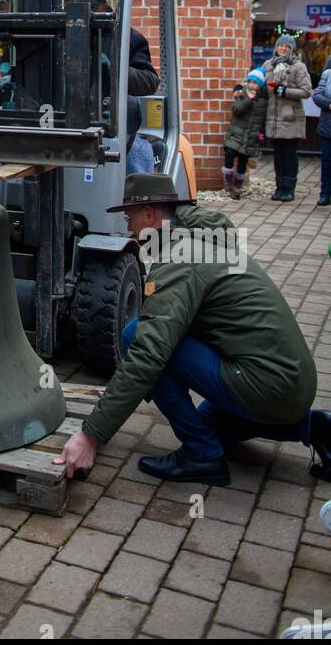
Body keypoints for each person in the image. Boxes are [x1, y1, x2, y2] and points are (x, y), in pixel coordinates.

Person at [55, 173, 330, 487]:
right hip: (289, 382)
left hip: (270, 385)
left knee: (135, 336)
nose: (129, 227)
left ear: (149, 214)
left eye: (130, 218)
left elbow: (148, 352)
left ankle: (202, 456)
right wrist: (125, 391)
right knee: (209, 422)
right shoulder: (201, 238)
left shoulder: (179, 258)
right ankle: (315, 428)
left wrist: (91, 434)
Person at [82, 0, 160, 173]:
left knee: (136, 159)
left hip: (113, 126)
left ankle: (135, 200)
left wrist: (114, 71)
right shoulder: (63, 35)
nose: (87, 13)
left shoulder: (126, 37)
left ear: (104, 7)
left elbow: (150, 80)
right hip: (70, 123)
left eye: (91, 7)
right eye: (80, 7)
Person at [262, 34, 312, 201]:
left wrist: (285, 91)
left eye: (287, 46)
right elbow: (262, 86)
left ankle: (289, 189)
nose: (283, 48)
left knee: (289, 153)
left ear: (291, 49)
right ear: (276, 47)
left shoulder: (298, 66)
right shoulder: (268, 65)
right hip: (273, 117)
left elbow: (306, 91)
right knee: (277, 155)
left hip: (291, 117)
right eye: (280, 45)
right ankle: (279, 188)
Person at [222, 68, 266, 198]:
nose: (252, 85)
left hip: (250, 138)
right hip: (236, 135)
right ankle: (229, 185)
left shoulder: (263, 101)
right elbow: (237, 110)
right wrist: (248, 99)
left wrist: (261, 135)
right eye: (250, 82)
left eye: (255, 83)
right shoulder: (241, 95)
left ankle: (237, 187)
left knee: (243, 161)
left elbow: (261, 120)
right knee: (229, 155)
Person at [313, 52, 331, 207]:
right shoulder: (327, 74)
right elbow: (317, 95)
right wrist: (329, 104)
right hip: (328, 126)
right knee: (326, 162)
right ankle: (325, 193)